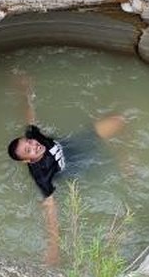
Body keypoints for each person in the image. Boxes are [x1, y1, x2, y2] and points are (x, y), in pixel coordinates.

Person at [7, 74, 125, 266]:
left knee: (119, 120)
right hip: (77, 166)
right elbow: (50, 208)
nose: (34, 145)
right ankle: (120, 159)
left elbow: (30, 117)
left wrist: (25, 92)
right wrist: (54, 247)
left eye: (30, 142)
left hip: (74, 144)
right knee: (106, 163)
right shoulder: (40, 174)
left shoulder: (34, 136)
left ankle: (124, 152)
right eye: (29, 150)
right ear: (27, 160)